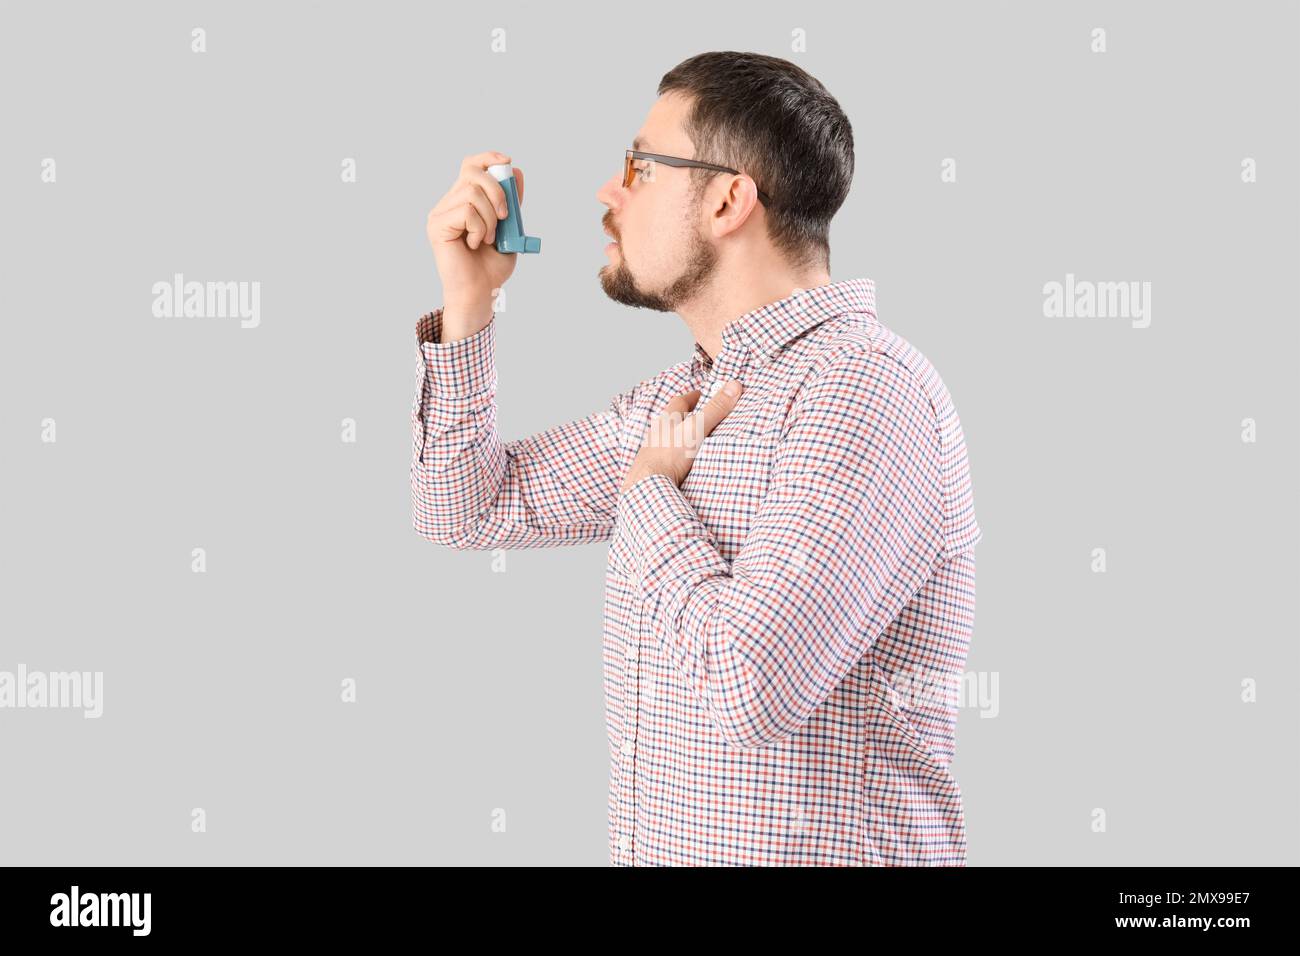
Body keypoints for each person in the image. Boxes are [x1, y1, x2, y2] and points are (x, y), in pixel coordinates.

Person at [412, 51, 983, 866]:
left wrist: (649, 493)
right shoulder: (681, 403)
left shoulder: (868, 392)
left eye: (638, 167)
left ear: (726, 199)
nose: (608, 193)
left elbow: (749, 687)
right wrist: (470, 302)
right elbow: (462, 509)